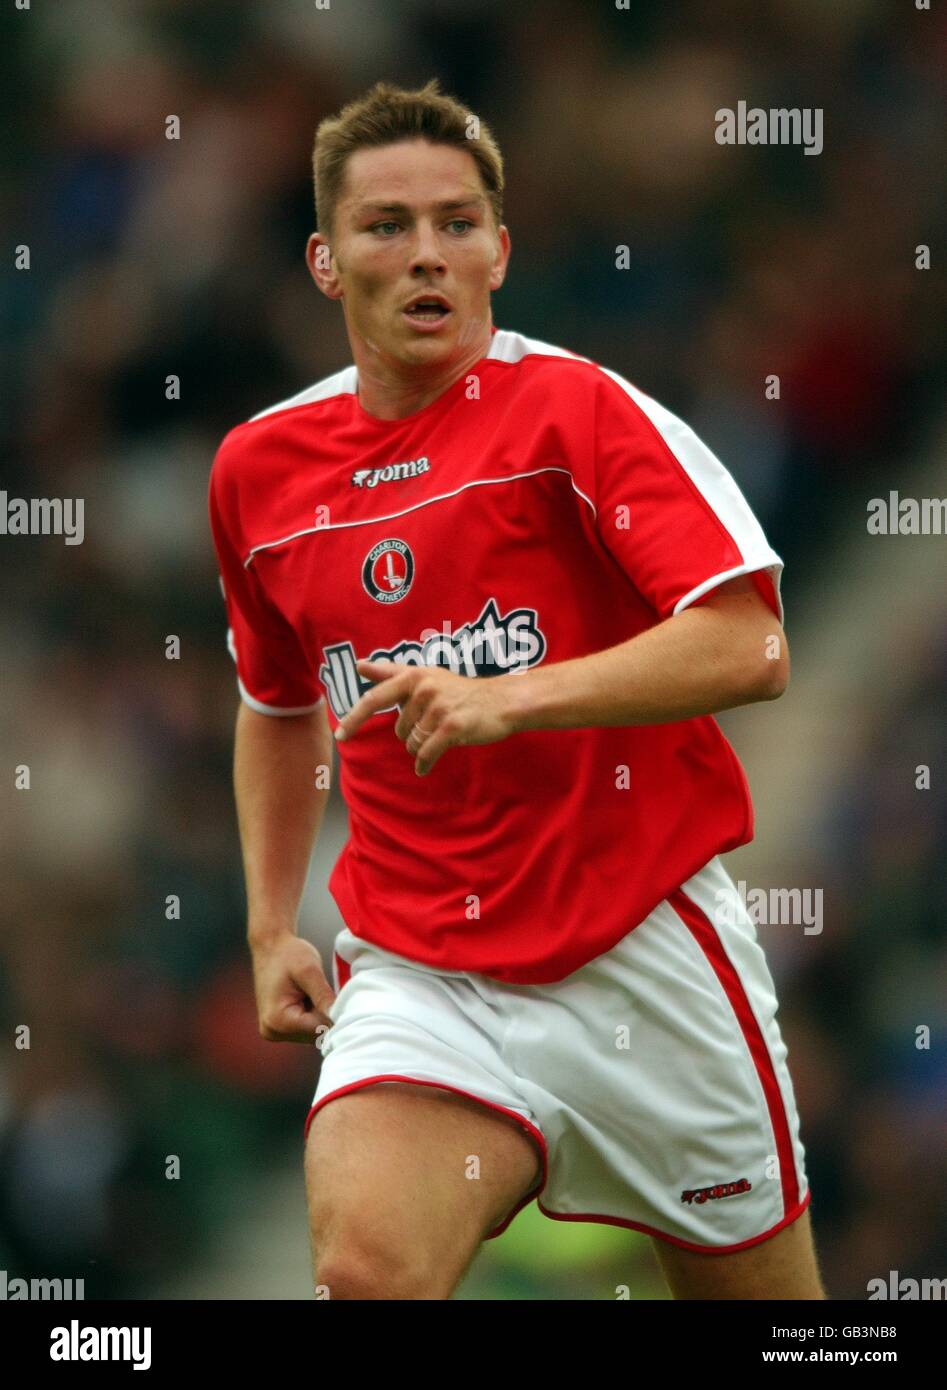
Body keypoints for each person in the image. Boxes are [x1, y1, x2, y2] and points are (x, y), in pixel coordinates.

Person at [208, 78, 825, 1300]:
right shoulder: (258, 471)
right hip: (421, 965)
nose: (426, 253)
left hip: (642, 948)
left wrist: (511, 696)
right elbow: (277, 702)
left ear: (501, 247)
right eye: (386, 226)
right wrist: (271, 919)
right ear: (327, 264)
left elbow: (747, 645)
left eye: (456, 221)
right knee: (366, 1273)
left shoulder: (578, 413)